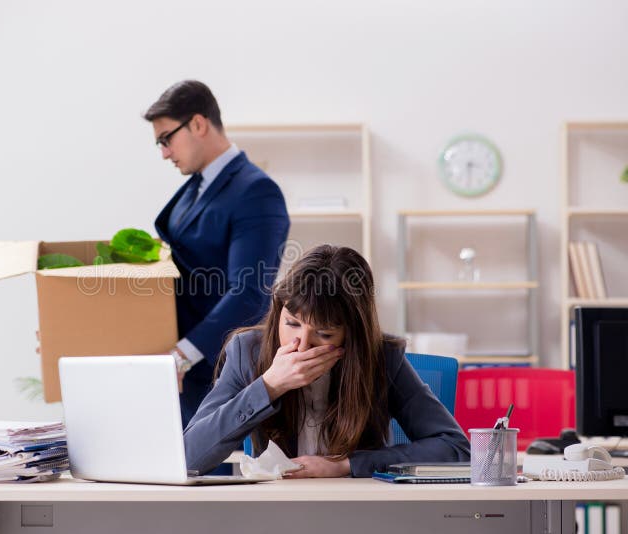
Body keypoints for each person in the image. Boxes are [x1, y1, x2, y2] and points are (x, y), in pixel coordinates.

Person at [183, 245, 471, 478]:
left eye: (324, 333)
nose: (301, 344)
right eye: (292, 323)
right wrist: (268, 386)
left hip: (359, 510)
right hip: (278, 512)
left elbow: (455, 448)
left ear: (351, 335)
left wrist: (347, 464)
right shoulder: (247, 352)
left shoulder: (382, 356)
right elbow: (188, 457)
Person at [145, 80, 290, 426]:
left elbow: (249, 294)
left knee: (212, 478)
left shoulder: (256, 191)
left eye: (166, 138)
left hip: (218, 374)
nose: (164, 152)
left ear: (198, 124)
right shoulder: (194, 188)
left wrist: (182, 355)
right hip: (181, 372)